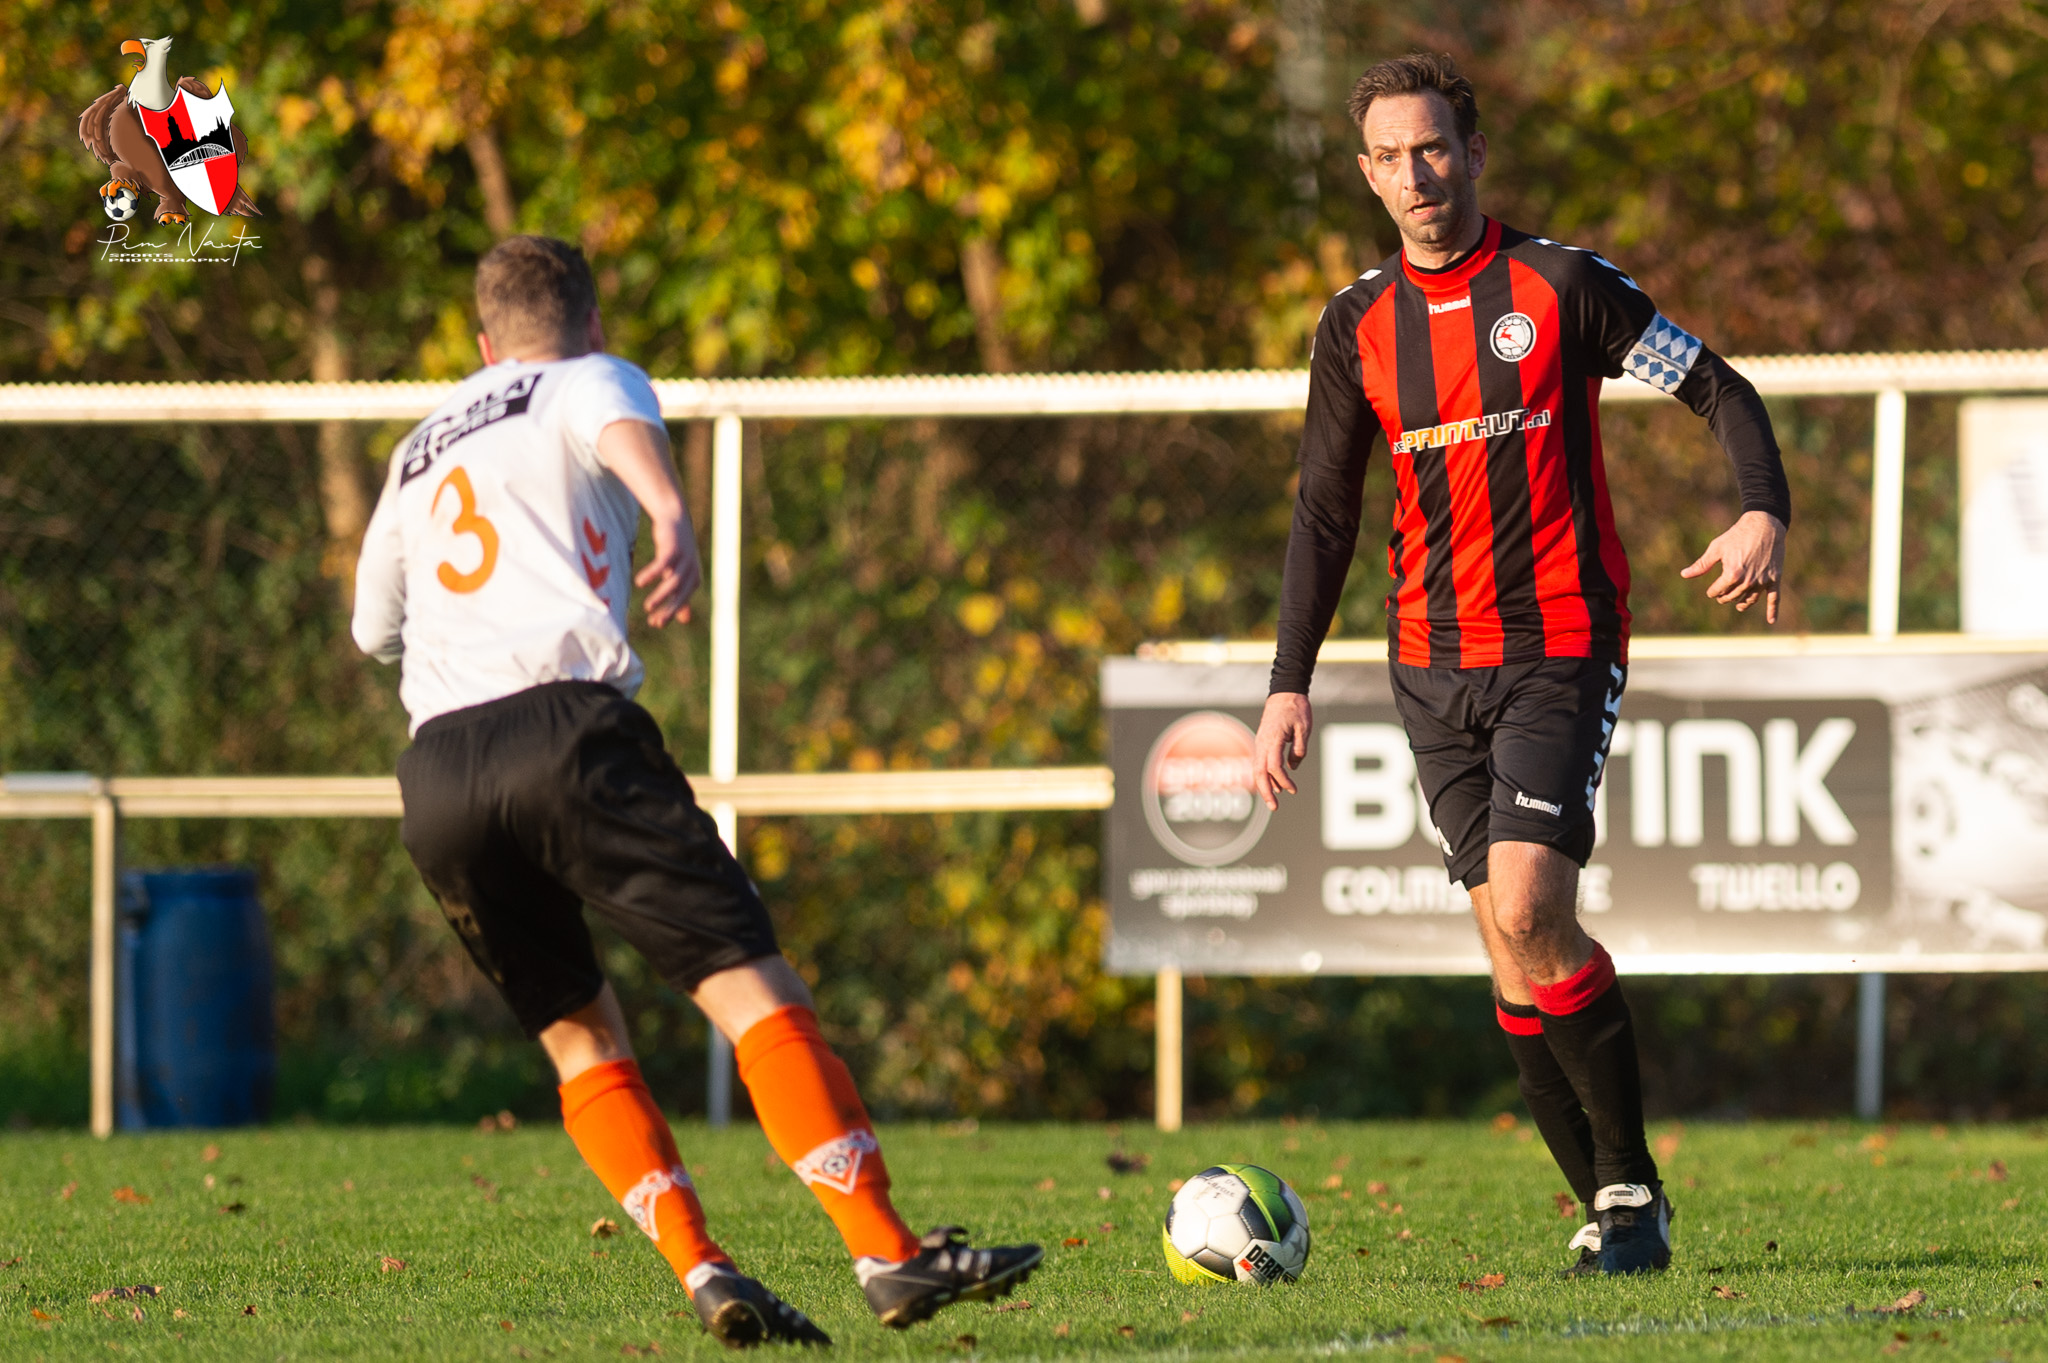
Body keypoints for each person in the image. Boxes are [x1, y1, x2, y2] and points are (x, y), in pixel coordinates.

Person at [352, 235, 1041, 1344]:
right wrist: (667, 511)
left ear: (479, 342)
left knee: (579, 1039)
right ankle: (886, 1250)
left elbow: (369, 625)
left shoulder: (415, 449)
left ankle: (703, 1269)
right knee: (745, 987)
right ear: (590, 318)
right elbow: (617, 433)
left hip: (435, 772)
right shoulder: (588, 375)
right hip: (566, 729)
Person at [1252, 54, 1791, 1276]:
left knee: (1533, 902)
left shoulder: (1558, 287)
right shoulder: (1356, 324)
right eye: (1389, 155)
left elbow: (1717, 387)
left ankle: (1629, 1191)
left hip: (1556, 640)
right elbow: (1323, 515)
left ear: (1473, 153)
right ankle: (1611, 1211)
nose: (1414, 173)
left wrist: (1762, 510)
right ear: (1364, 173)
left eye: (1433, 147)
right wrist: (1286, 679)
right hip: (1425, 665)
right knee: (1504, 935)